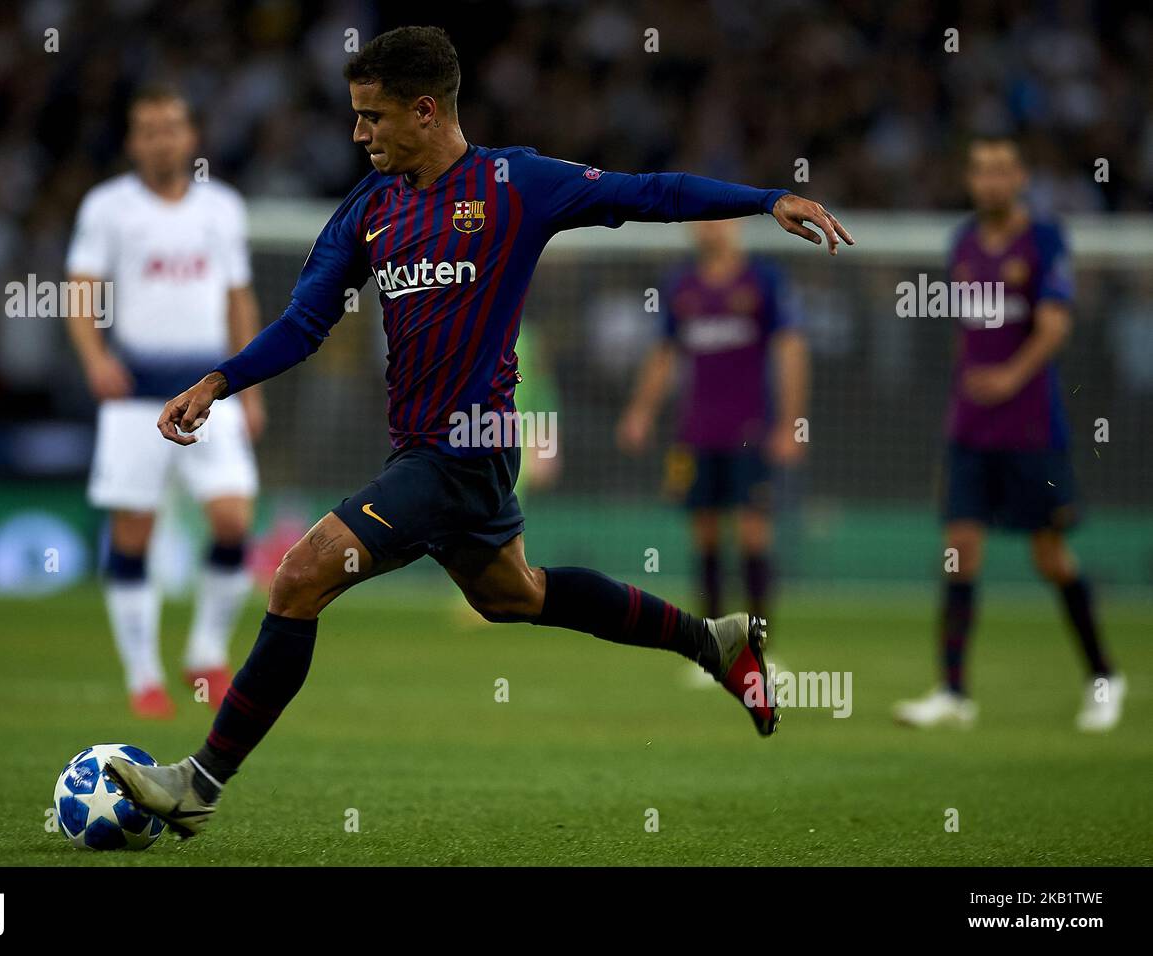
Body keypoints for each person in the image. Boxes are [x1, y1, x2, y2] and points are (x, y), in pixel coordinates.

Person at [105, 26, 853, 837]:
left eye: (373, 117)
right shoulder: (368, 208)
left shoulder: (515, 183)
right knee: (515, 594)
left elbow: (652, 192)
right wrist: (219, 382)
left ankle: (199, 783)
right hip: (425, 449)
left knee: (298, 577)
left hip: (464, 448)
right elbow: (304, 323)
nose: (359, 135)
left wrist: (764, 198)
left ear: (425, 111)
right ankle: (713, 640)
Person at [893, 137, 1123, 732]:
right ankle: (953, 691)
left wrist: (1008, 377)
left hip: (1031, 429)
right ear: (971, 180)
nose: (991, 181)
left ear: (1019, 176)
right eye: (981, 171)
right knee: (960, 550)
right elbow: (965, 333)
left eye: (1001, 170)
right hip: (970, 429)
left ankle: (1103, 675)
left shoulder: (1044, 240)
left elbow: (1055, 325)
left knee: (1050, 555)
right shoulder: (962, 243)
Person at [66, 87, 266, 719]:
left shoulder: (222, 208)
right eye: (148, 129)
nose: (162, 139)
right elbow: (81, 290)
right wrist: (96, 359)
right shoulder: (108, 207)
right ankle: (143, 674)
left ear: (191, 137)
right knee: (134, 532)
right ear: (133, 142)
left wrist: (250, 383)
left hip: (211, 389)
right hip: (135, 395)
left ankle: (206, 653)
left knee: (233, 520)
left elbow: (239, 299)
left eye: (172, 127)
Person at [618, 219, 807, 623]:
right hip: (696, 431)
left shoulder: (764, 279)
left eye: (717, 219)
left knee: (752, 531)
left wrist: (792, 423)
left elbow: (790, 349)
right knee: (703, 534)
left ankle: (758, 640)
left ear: (736, 224)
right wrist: (641, 411)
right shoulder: (680, 283)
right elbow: (665, 353)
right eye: (700, 220)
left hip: (751, 428)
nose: (709, 228)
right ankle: (714, 638)